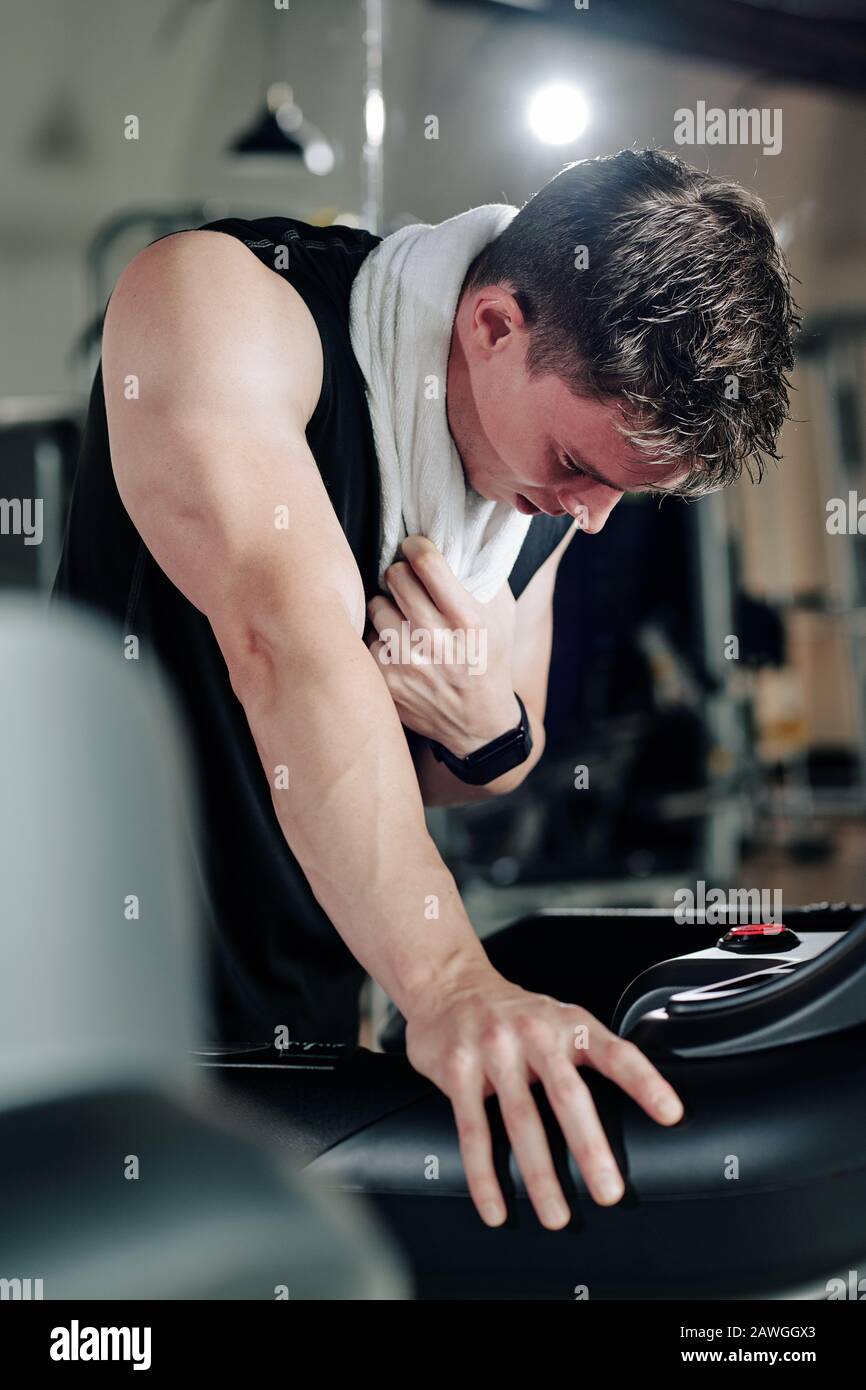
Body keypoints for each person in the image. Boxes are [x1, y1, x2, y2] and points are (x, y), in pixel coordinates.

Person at [53, 148, 799, 1232]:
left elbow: (487, 755)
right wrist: (452, 981)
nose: (586, 517)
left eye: (620, 494)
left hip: (306, 997)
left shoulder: (536, 489)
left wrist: (485, 732)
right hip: (81, 974)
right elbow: (288, 652)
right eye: (580, 468)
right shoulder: (221, 303)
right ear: (494, 324)